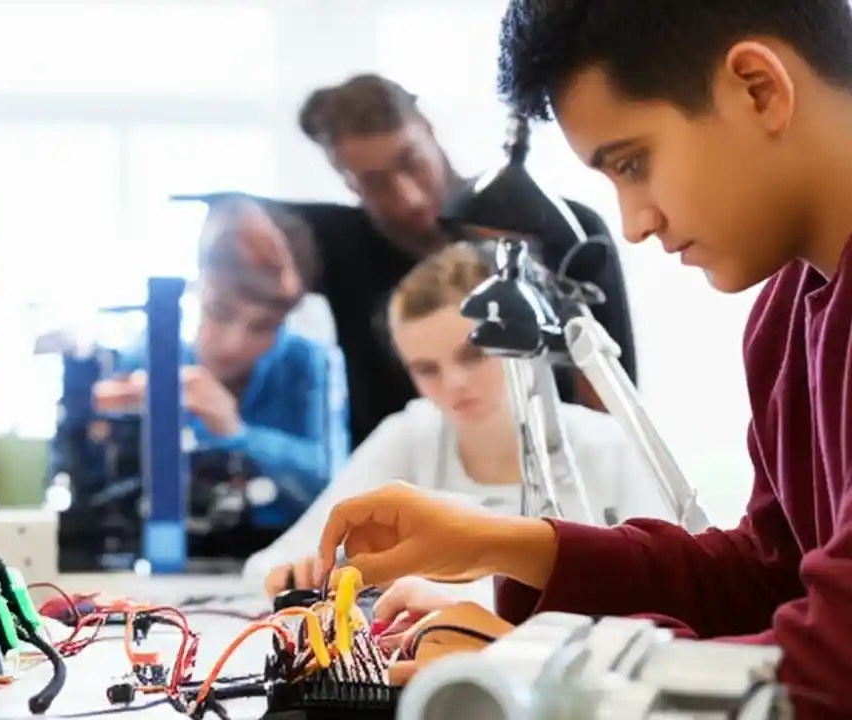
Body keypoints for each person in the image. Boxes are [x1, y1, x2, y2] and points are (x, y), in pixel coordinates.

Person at [313, 1, 852, 715]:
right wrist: (505, 544)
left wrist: (535, 669)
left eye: (632, 162)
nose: (632, 224)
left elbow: (832, 666)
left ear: (758, 88)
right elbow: (766, 579)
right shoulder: (785, 315)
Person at [232, 74, 638, 447]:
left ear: (428, 128)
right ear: (346, 180)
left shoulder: (556, 227)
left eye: (411, 162)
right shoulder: (335, 243)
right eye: (374, 183)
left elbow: (613, 389)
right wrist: (239, 219)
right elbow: (237, 210)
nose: (407, 197)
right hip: (402, 490)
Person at [246, 242, 673, 595]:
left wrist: (450, 598)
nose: (454, 384)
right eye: (426, 369)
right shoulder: (409, 436)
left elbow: (666, 587)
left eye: (473, 355)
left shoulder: (607, 446)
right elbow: (266, 568)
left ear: (520, 341)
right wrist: (298, 574)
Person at [91, 197, 349, 545]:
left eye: (262, 327)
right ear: (198, 286)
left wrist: (236, 433)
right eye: (219, 312)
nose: (233, 344)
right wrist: (105, 428)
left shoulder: (307, 365)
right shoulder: (146, 360)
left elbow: (334, 483)